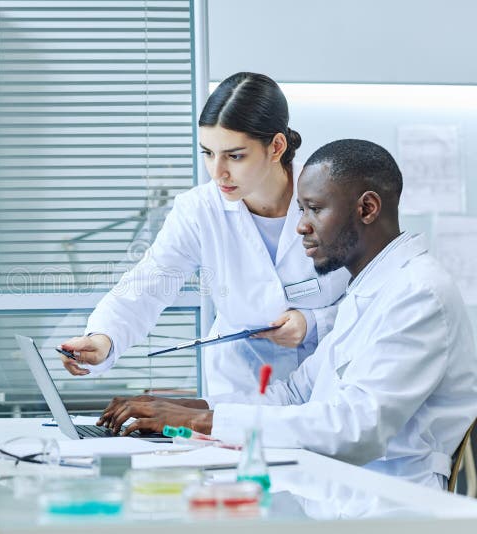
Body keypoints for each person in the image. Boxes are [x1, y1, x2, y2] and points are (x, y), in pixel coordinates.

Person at [99, 139, 477, 489]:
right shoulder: (370, 289)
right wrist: (181, 409)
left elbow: (355, 430)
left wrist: (202, 421)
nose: (300, 226)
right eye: (301, 209)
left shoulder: (418, 294)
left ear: (367, 208)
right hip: (341, 490)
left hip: (392, 501)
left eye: (314, 209)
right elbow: (296, 394)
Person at [59, 72, 349, 398]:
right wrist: (103, 339)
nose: (217, 172)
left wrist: (314, 322)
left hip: (328, 384)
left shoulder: (335, 200)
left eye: (235, 156)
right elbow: (148, 285)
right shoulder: (199, 210)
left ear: (276, 147)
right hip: (242, 390)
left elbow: (377, 298)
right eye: (208, 153)